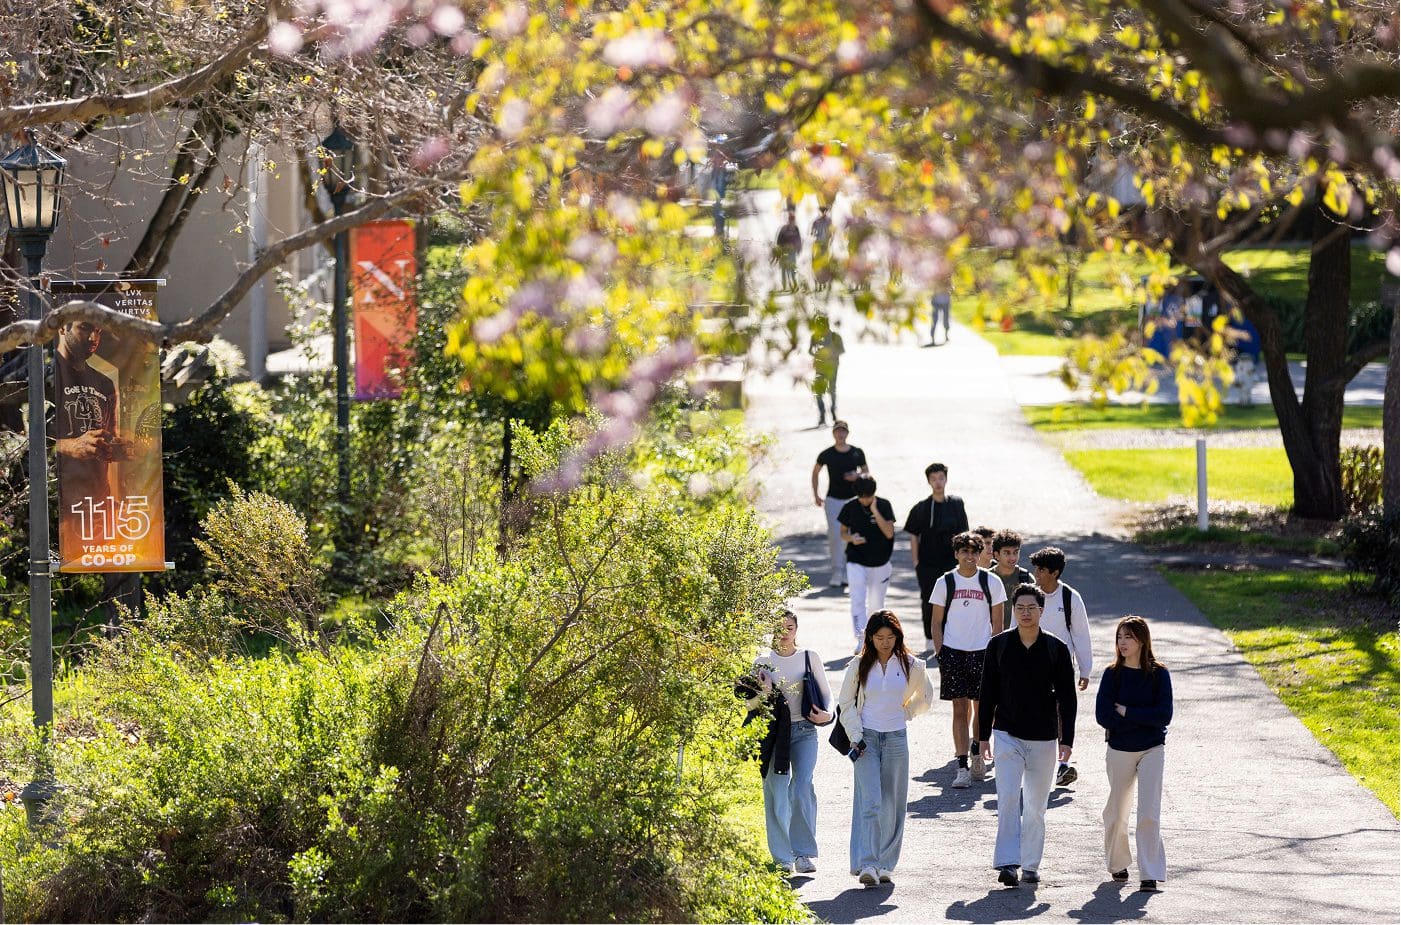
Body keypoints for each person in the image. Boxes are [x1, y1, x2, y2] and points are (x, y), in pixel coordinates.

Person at [978, 584, 1077, 887]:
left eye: (1031, 608)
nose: (1025, 613)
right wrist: (982, 736)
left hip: (1044, 738)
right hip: (1006, 733)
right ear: (1013, 610)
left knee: (1035, 804)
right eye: (1019, 608)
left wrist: (1067, 740)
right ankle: (1008, 863)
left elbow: (1068, 698)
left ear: (1041, 611)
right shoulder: (999, 646)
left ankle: (1031, 864)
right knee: (1007, 799)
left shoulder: (1056, 649)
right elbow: (987, 695)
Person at [837, 610, 933, 887]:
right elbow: (845, 704)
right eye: (879, 637)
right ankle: (867, 863)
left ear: (898, 637)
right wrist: (856, 735)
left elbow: (925, 697)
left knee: (892, 803)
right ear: (870, 637)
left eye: (890, 637)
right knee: (871, 801)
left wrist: (907, 713)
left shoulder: (911, 664)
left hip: (896, 739)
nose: (885, 642)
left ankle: (885, 864)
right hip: (864, 739)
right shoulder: (858, 665)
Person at [746, 610, 833, 874]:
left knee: (802, 786)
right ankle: (783, 857)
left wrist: (827, 715)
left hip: (805, 730)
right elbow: (749, 704)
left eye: (790, 628)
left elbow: (827, 697)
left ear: (797, 629)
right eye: (780, 628)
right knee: (776, 791)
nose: (785, 633)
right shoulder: (762, 661)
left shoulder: (809, 657)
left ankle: (803, 854)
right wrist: (764, 692)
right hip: (773, 734)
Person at [1097, 616, 1173, 893]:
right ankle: (1117, 863)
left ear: (1141, 640)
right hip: (1119, 750)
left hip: (1153, 748)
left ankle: (1149, 873)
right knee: (1117, 812)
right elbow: (1103, 716)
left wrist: (1127, 712)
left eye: (1128, 637)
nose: (1122, 642)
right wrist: (1142, 718)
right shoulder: (1111, 674)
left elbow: (1164, 715)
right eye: (1119, 637)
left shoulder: (1159, 674)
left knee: (1149, 812)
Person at [929, 531, 1005, 788]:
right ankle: (962, 766)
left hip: (983, 651)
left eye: (974, 552)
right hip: (953, 652)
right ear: (956, 554)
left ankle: (977, 750)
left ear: (981, 553)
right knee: (959, 709)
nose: (970, 557)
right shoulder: (945, 582)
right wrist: (941, 653)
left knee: (984, 709)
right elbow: (936, 622)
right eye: (965, 552)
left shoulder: (991, 582)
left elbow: (998, 622)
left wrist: (996, 653)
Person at [1028, 546, 1093, 787]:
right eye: (1036, 568)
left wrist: (1085, 670)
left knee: (1062, 715)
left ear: (1054, 573)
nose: (1036, 573)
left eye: (1042, 569)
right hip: (1030, 667)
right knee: (1034, 715)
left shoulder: (1070, 598)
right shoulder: (1028, 597)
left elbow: (1081, 635)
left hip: (1061, 667)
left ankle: (1063, 764)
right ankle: (1036, 765)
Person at [903, 463, 968, 652]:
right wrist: (916, 562)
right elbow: (913, 535)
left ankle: (952, 636)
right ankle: (930, 637)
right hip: (928, 563)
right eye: (934, 479)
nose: (938, 482)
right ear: (929, 482)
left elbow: (965, 532)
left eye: (941, 478)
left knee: (954, 598)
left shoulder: (956, 503)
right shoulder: (921, 508)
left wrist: (964, 559)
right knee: (929, 600)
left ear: (946, 479)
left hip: (952, 562)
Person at [839, 477, 896, 654]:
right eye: (862, 497)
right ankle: (860, 639)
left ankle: (875, 640)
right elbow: (843, 533)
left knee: (876, 604)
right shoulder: (850, 506)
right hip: (856, 560)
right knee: (857, 599)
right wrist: (851, 539)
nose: (865, 500)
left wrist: (874, 510)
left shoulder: (884, 505)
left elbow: (888, 533)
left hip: (880, 563)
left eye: (868, 496)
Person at [811, 422, 868, 587]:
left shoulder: (857, 452)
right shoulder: (827, 454)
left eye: (843, 431)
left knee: (852, 535)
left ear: (847, 433)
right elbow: (815, 472)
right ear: (833, 434)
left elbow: (867, 473)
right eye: (838, 431)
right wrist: (816, 494)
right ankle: (837, 571)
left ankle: (851, 571)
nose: (840, 434)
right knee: (836, 535)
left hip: (853, 500)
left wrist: (856, 476)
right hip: (833, 499)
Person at [990, 530, 1033, 630]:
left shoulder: (1026, 579)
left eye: (1015, 552)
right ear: (996, 555)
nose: (1012, 557)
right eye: (1007, 553)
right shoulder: (986, 578)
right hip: (989, 637)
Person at [809, 316, 845, 427]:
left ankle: (833, 412)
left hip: (832, 368)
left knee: (832, 390)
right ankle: (822, 414)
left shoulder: (835, 336)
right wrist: (818, 355)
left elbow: (841, 350)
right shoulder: (815, 337)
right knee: (819, 393)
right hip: (820, 367)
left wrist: (830, 353)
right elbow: (810, 350)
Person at [776, 208, 802, 290]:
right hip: (784, 252)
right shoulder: (783, 229)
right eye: (790, 219)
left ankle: (794, 285)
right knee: (783, 270)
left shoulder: (796, 229)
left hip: (792, 252)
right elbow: (778, 240)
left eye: (793, 219)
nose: (791, 221)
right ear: (788, 220)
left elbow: (799, 240)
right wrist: (780, 249)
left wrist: (798, 249)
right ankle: (784, 286)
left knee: (792, 269)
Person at [811, 205, 833, 290]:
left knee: (825, 264)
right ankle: (817, 282)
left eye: (824, 211)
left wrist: (830, 238)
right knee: (816, 263)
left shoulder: (829, 221)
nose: (823, 212)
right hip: (818, 243)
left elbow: (831, 232)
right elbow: (812, 232)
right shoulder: (816, 221)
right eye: (822, 211)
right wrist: (814, 233)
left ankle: (824, 282)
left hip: (825, 244)